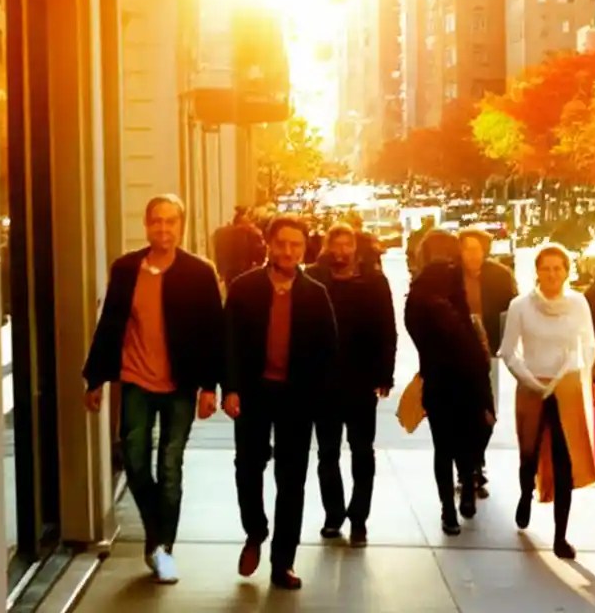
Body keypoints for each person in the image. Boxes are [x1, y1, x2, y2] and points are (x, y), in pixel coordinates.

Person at [81, 194, 224, 584]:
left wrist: (210, 387)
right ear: (146, 225)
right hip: (136, 382)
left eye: (171, 221)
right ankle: (157, 531)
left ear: (181, 226)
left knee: (170, 467)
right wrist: (95, 379)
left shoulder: (199, 272)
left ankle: (163, 550)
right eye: (156, 221)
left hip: (180, 384)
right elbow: (110, 324)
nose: (163, 228)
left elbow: (213, 333)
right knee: (135, 462)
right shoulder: (126, 269)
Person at [224, 215, 339, 590]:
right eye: (282, 243)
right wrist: (230, 388)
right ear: (270, 245)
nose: (288, 251)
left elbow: (328, 351)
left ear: (305, 249)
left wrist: (322, 402)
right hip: (253, 393)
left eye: (296, 245)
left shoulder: (315, 294)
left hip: (297, 398)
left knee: (292, 480)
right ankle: (255, 531)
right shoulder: (244, 288)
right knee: (248, 467)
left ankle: (283, 561)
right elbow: (229, 343)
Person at [498, 244, 595, 561]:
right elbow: (508, 351)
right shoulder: (520, 306)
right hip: (532, 384)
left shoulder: (578, 303)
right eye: (546, 268)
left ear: (567, 272)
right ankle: (526, 492)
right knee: (529, 454)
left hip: (566, 385)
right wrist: (528, 379)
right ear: (537, 272)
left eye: (558, 268)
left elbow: (589, 343)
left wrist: (579, 367)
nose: (552, 275)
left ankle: (560, 536)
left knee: (564, 459)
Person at [305, 223, 398, 548]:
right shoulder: (314, 278)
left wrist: (385, 374)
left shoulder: (374, 281)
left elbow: (387, 328)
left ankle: (359, 517)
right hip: (324, 381)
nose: (341, 251)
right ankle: (333, 515)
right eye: (337, 245)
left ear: (356, 248)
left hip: (361, 379)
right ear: (327, 247)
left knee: (362, 451)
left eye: (347, 245)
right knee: (327, 452)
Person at [404, 230, 495, 535]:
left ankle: (453, 503)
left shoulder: (422, 293)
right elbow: (461, 333)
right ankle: (459, 495)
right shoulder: (437, 292)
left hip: (440, 378)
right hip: (456, 377)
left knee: (446, 446)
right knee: (461, 442)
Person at [458, 227, 519, 498]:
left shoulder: (500, 276)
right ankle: (467, 468)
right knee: (462, 412)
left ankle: (476, 461)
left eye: (476, 249)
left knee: (487, 413)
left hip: (488, 352)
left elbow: (514, 310)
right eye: (466, 249)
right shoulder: (452, 276)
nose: (471, 255)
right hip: (458, 352)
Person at [213, 206, 267, 287]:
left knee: (231, 290)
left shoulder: (222, 233)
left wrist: (221, 270)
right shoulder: (253, 232)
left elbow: (219, 252)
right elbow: (261, 253)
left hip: (229, 272)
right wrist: (258, 267)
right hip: (247, 271)